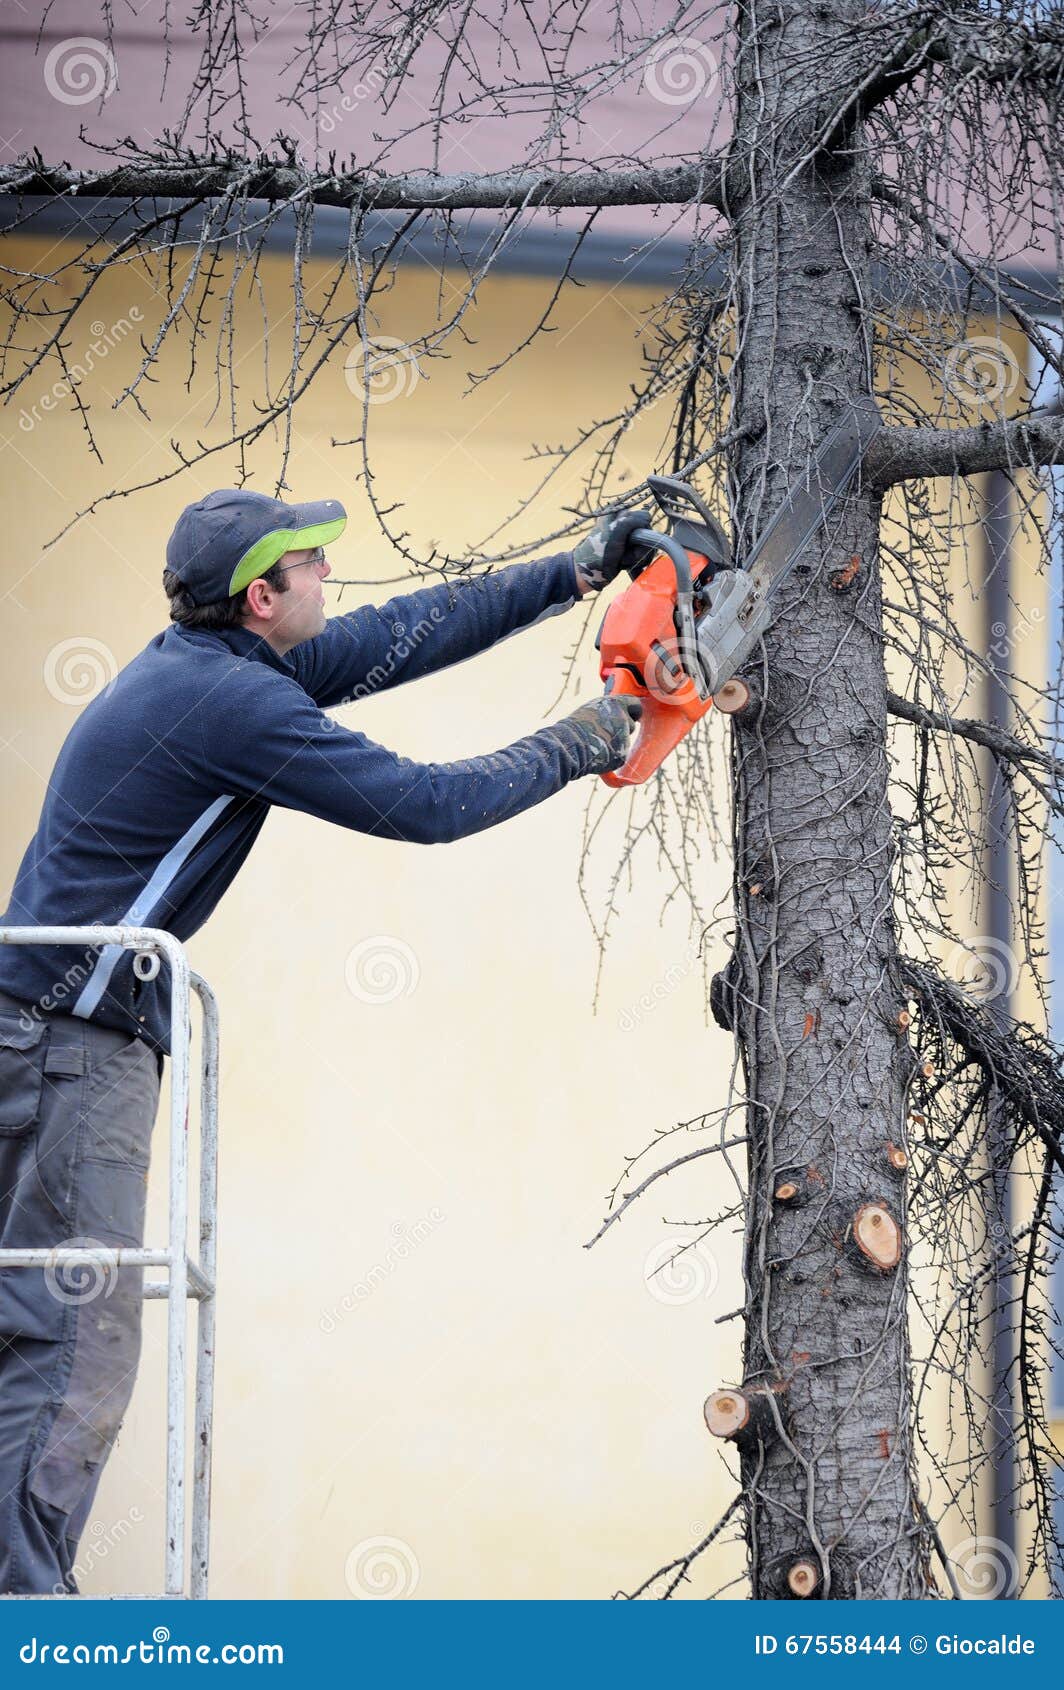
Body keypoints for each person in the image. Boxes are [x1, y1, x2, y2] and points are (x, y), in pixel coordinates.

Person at [0, 485, 652, 1594]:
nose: (327, 579)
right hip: (74, 1048)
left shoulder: (214, 669)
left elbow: (408, 631)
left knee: (39, 1327)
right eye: (310, 564)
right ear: (262, 597)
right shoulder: (233, 707)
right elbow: (422, 803)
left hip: (40, 1036)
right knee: (75, 1344)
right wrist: (577, 742)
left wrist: (575, 571)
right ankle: (27, 1618)